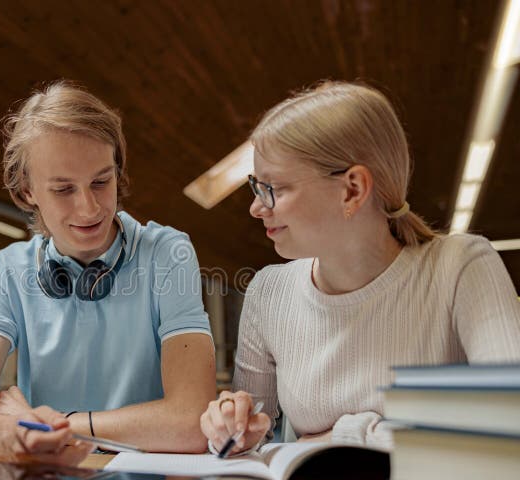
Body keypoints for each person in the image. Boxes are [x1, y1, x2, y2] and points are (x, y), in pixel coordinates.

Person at [200, 81, 520, 456]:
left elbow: (509, 417)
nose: (256, 208)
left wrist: (344, 437)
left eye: (275, 188)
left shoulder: (462, 266)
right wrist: (230, 427)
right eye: (257, 186)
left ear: (352, 189)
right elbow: (254, 433)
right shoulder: (268, 292)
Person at [0, 81, 216, 464]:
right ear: (26, 192)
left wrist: (56, 425)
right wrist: (5, 433)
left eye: (101, 182)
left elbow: (190, 421)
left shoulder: (168, 252)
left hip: (144, 478)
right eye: (63, 189)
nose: (89, 209)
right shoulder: (9, 267)